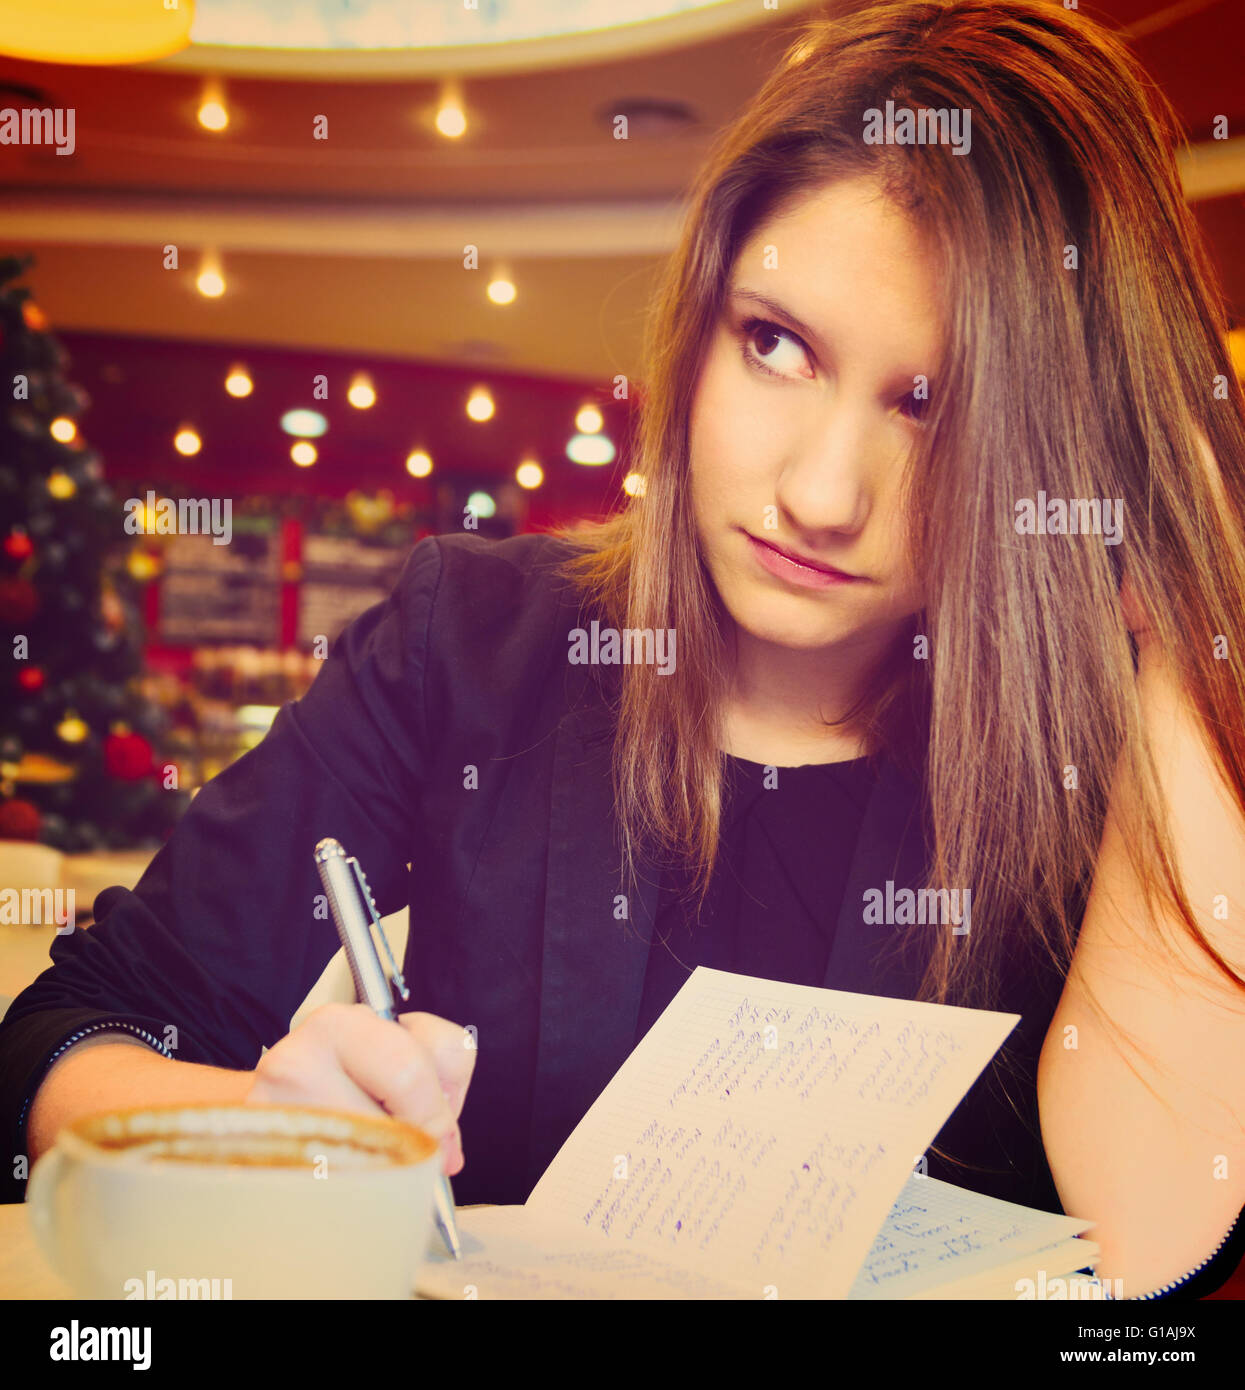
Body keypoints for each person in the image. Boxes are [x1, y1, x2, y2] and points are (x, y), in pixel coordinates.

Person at [2, 0, 1243, 1299]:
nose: (822, 493)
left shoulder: (1093, 755)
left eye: (931, 409)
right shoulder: (469, 642)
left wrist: (1174, 588)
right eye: (776, 344)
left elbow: (1154, 1250)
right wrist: (259, 1129)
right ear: (697, 325)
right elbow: (62, 1032)